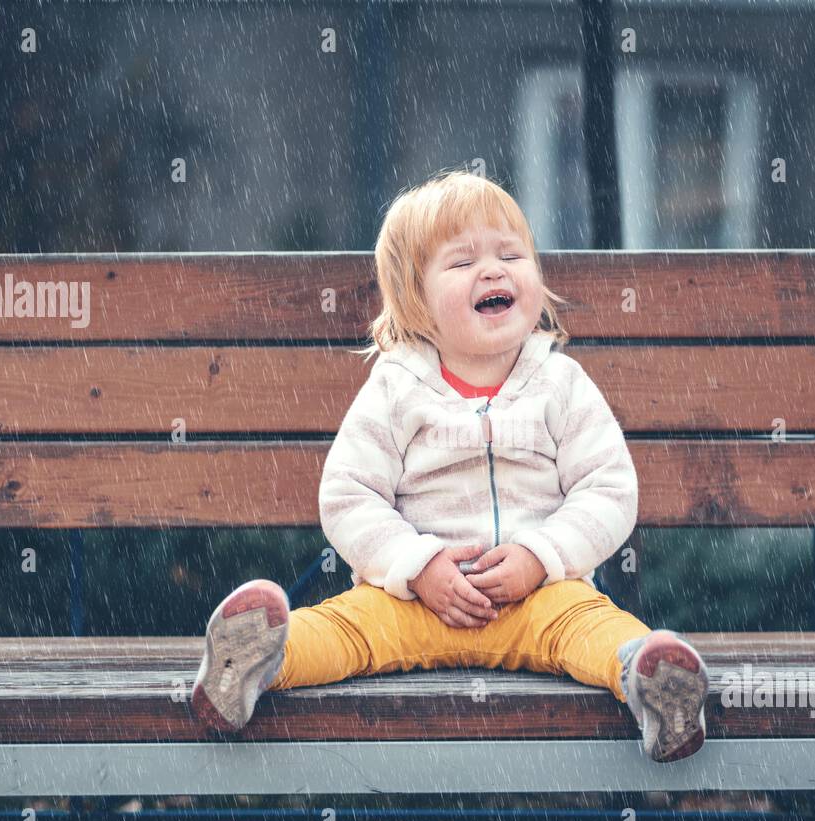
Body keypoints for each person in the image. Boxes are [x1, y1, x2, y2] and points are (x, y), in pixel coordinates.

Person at [190, 169, 709, 762]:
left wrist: (541, 557)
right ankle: (254, 663)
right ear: (417, 298)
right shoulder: (396, 388)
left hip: (540, 601)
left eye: (510, 254)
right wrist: (417, 565)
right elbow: (348, 495)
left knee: (596, 630)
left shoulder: (560, 383)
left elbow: (608, 488)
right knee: (345, 631)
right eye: (463, 263)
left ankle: (652, 686)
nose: (493, 270)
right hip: (410, 603)